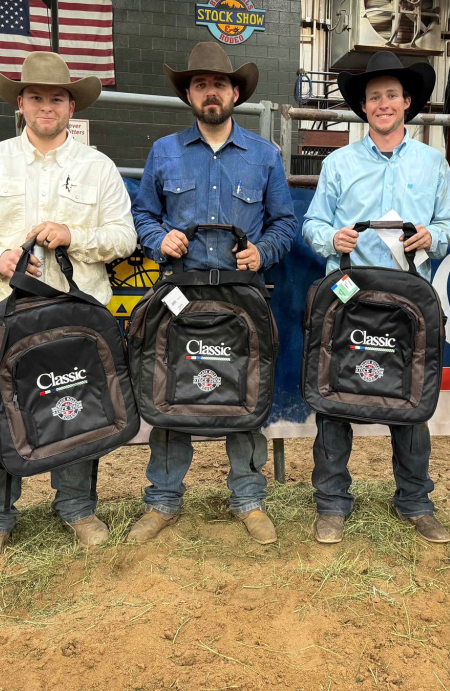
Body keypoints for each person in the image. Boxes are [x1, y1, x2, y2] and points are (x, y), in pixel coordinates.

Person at [0, 51, 137, 574]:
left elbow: (124, 237)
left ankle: (76, 507)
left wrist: (76, 236)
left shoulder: (97, 168)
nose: (46, 106)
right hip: (5, 309)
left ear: (71, 105)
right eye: (35, 97)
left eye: (56, 97)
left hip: (75, 312)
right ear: (21, 104)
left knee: (76, 406)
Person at [127, 42, 298, 545]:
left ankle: (248, 498)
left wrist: (262, 253)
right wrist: (160, 239)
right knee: (170, 390)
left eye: (218, 84)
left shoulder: (265, 156)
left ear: (235, 92)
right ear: (188, 94)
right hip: (178, 293)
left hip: (242, 293)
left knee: (245, 393)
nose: (210, 93)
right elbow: (142, 215)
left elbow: (286, 224)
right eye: (200, 85)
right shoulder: (164, 152)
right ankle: (162, 500)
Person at [302, 51, 450, 544]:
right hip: (349, 294)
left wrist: (430, 238)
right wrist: (333, 240)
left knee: (410, 394)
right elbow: (312, 222)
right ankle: (332, 502)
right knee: (334, 394)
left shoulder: (433, 164)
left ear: (407, 102)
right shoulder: (338, 163)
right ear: (364, 107)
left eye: (392, 95)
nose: (384, 104)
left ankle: (415, 499)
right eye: (374, 97)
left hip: (408, 299)